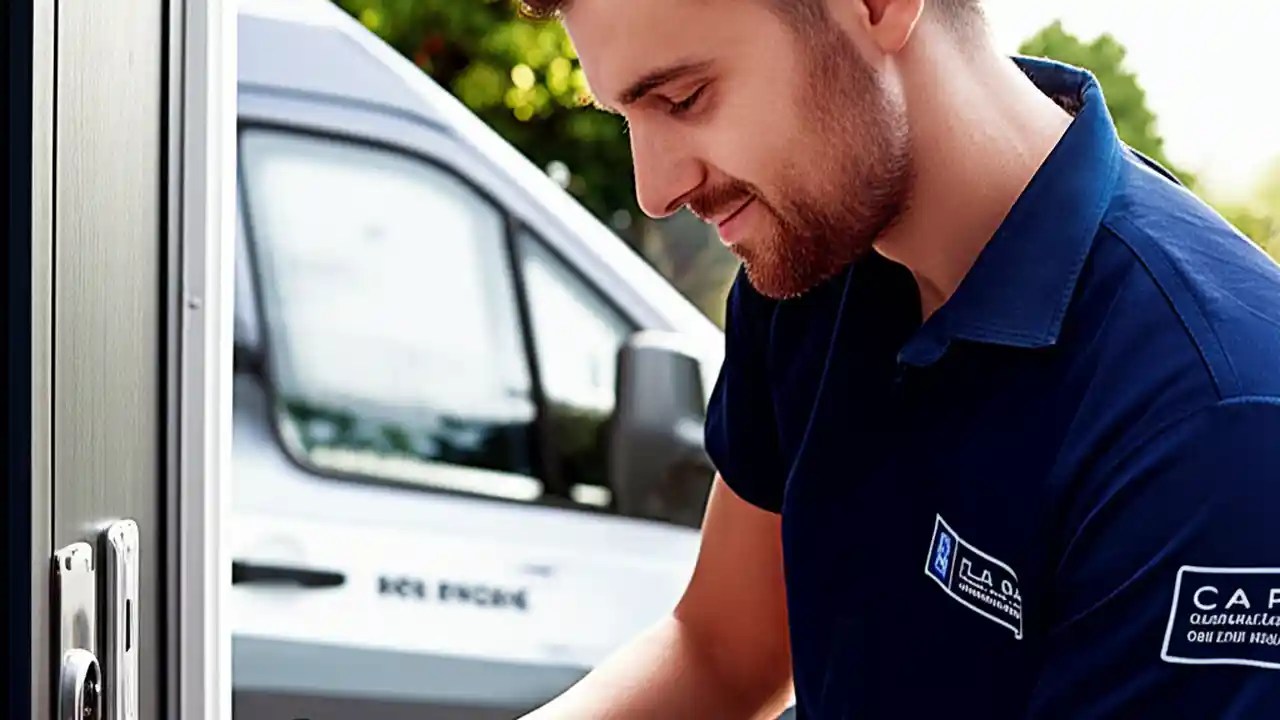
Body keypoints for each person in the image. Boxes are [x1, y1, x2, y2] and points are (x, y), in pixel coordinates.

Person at [520, 0, 1280, 717]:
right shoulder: (809, 255)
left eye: (685, 99)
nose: (656, 189)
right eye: (627, 117)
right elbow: (721, 651)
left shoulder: (1215, 422)